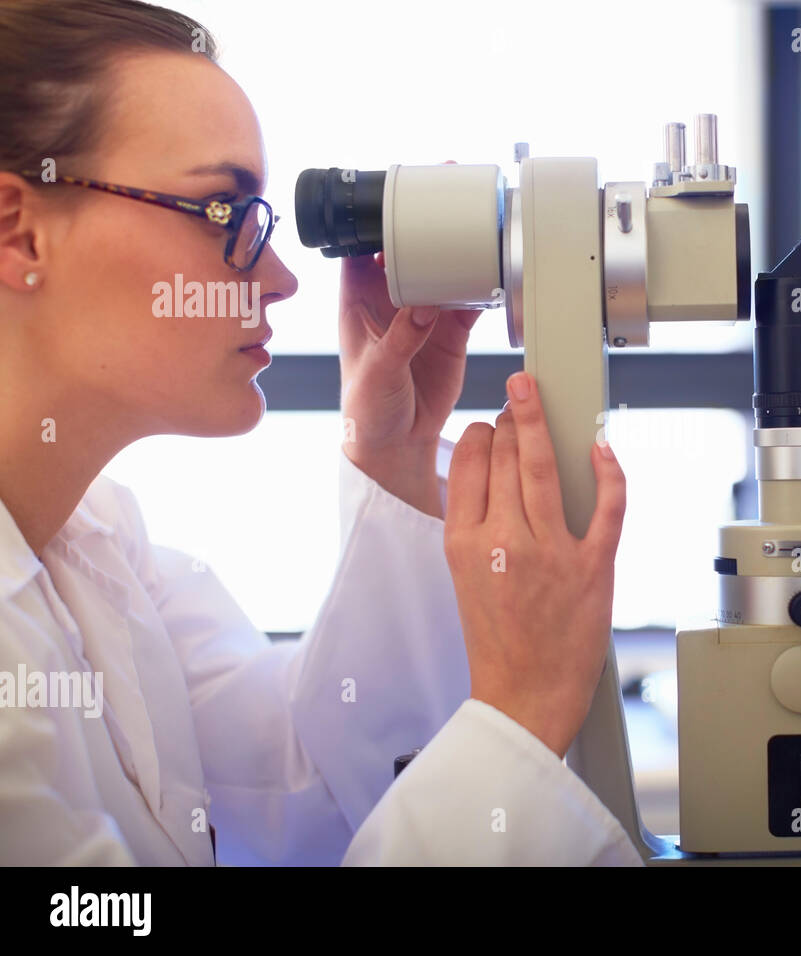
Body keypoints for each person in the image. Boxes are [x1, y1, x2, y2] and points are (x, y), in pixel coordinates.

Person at [0, 0, 640, 865]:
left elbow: (305, 787)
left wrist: (395, 457)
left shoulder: (97, 541)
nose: (280, 279)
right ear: (19, 232)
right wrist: (521, 713)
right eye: (222, 212)